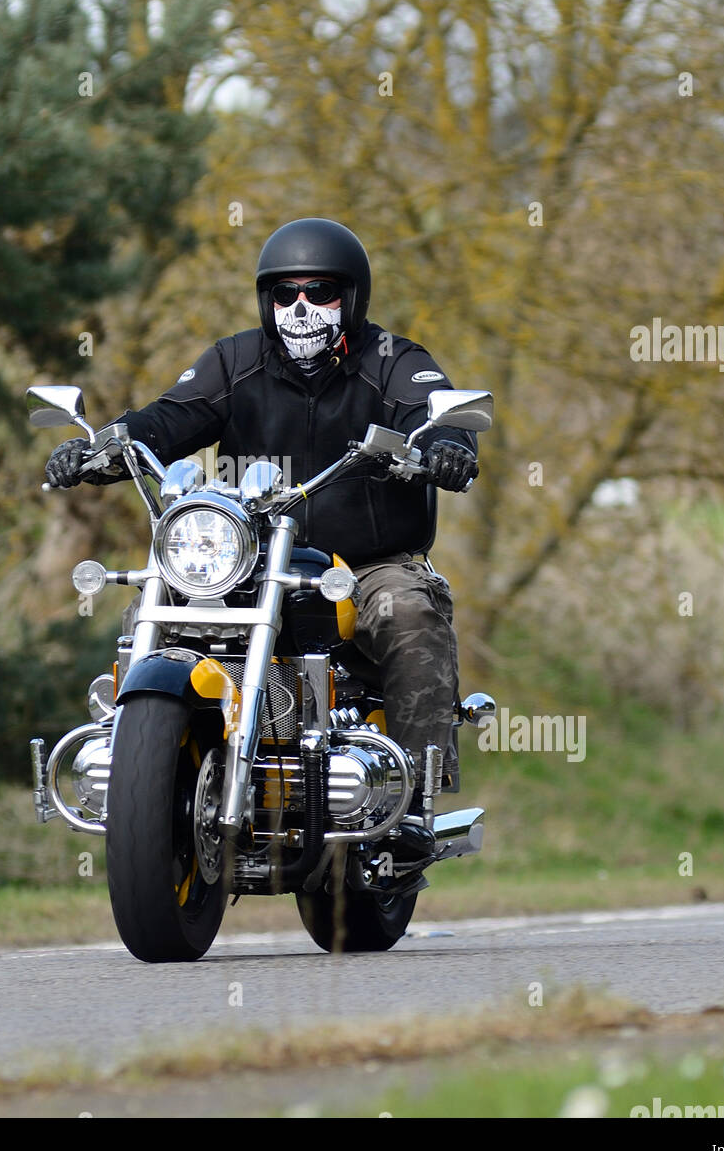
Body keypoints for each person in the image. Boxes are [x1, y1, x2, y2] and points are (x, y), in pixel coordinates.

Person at [44, 218, 478, 851]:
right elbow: (168, 419)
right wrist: (104, 449)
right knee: (155, 604)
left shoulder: (394, 362)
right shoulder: (234, 361)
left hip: (367, 564)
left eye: (319, 291)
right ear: (266, 299)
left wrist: (446, 444)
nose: (300, 307)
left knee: (411, 612)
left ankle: (415, 801)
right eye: (285, 293)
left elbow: (432, 410)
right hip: (247, 556)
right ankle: (138, 769)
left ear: (351, 298)